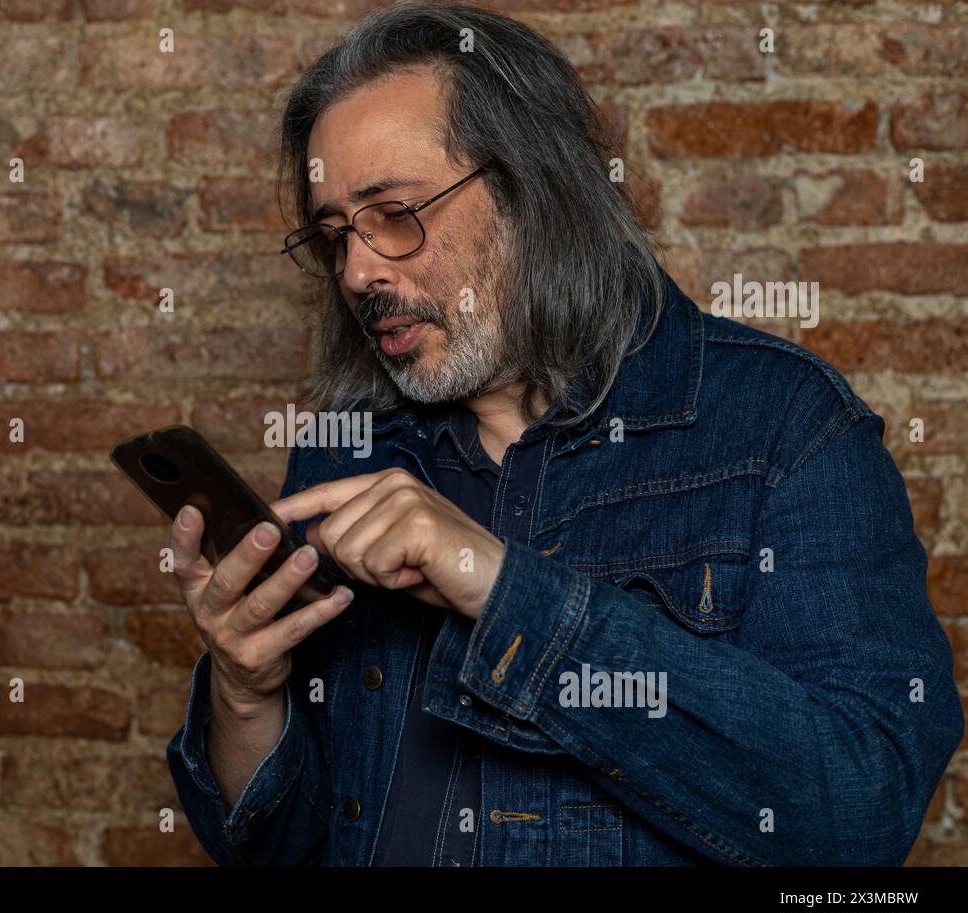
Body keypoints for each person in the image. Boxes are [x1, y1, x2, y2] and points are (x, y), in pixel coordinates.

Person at [162, 2, 963, 866]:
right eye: (333, 235)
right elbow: (284, 847)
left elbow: (861, 811)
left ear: (533, 191)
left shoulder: (783, 425)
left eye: (392, 214)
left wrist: (504, 589)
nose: (358, 271)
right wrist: (246, 696)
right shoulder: (349, 446)